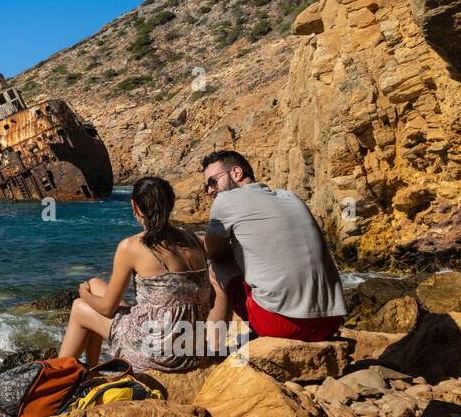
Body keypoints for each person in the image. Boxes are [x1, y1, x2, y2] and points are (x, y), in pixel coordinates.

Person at [60, 176, 217, 372]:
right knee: (95, 283)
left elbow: (107, 308)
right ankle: (94, 370)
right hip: (192, 349)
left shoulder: (131, 247)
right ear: (171, 203)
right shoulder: (193, 240)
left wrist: (84, 295)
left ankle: (58, 378)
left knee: (80, 306)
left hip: (158, 354)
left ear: (134, 207)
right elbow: (210, 300)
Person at [200, 150, 346, 341]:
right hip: (330, 322)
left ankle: (212, 344)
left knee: (216, 267)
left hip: (283, 325)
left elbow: (214, 252)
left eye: (213, 182)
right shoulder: (290, 197)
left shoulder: (226, 200)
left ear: (236, 173)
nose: (210, 190)